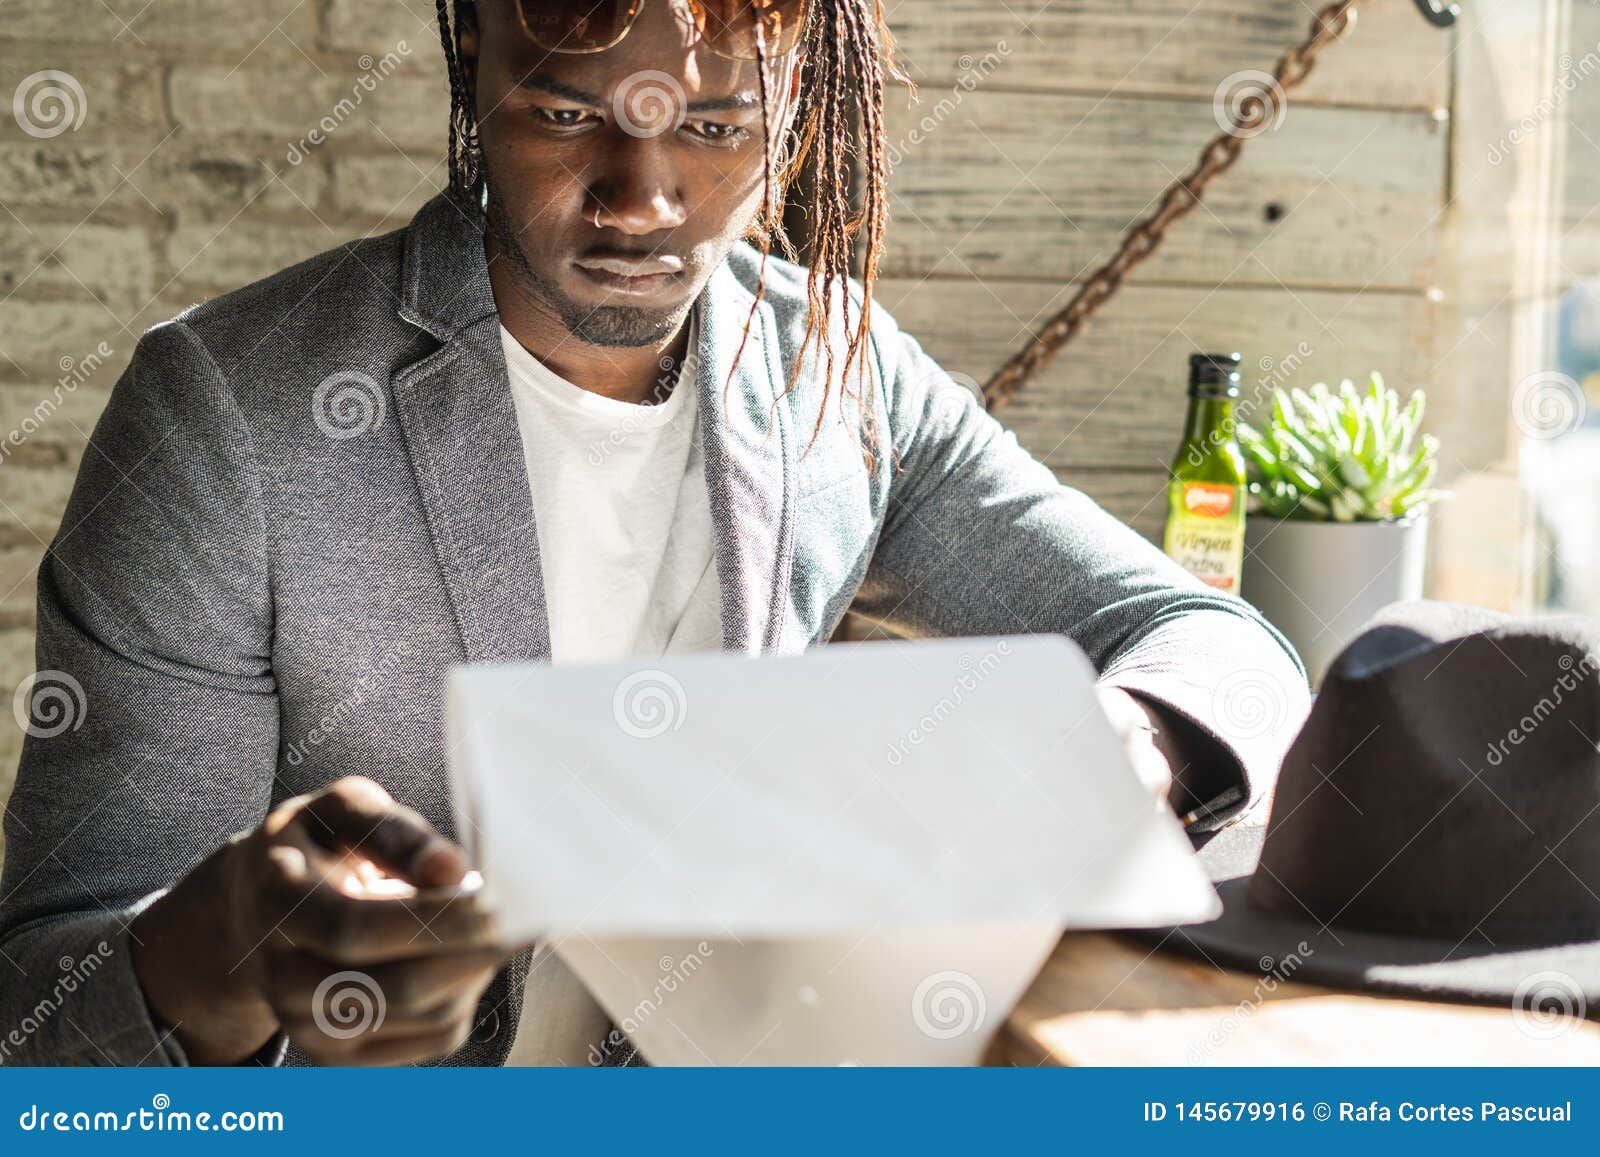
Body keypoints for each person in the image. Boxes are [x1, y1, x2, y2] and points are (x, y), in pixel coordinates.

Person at [0, 0, 1308, 1067]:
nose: (642, 198)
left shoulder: (834, 375)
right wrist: (227, 949)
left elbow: (1216, 643)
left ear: (795, 100)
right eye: (566, 113)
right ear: (472, 53)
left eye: (716, 123)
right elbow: (41, 1028)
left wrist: (1121, 752)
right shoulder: (229, 415)